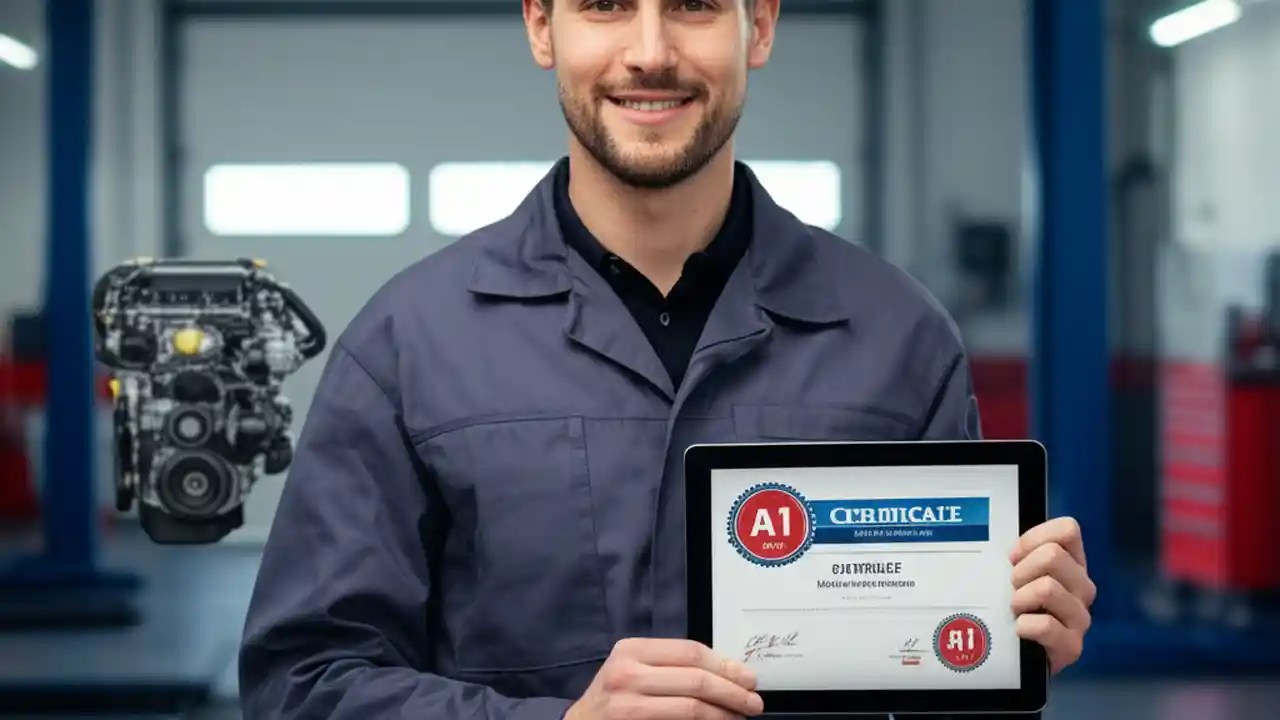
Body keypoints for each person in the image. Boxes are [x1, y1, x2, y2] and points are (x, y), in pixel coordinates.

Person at [238, 0, 1097, 718]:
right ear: (542, 26)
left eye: (691, 4)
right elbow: (303, 683)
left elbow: (930, 684)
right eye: (606, 4)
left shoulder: (898, 338)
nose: (649, 53)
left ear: (757, 25)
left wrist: (1001, 653)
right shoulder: (408, 342)